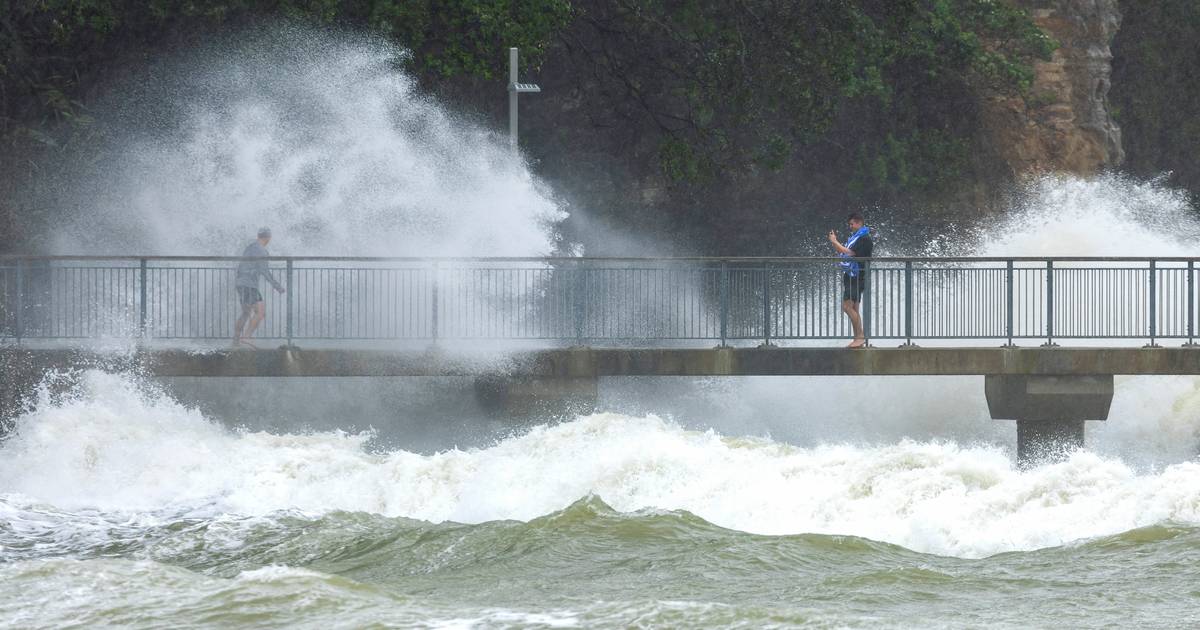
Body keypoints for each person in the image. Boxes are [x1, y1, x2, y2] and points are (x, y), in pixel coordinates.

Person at [827, 212, 873, 348]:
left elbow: (850, 253)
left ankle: (860, 337)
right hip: (852, 275)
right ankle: (858, 338)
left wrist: (834, 241)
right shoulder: (855, 237)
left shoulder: (864, 239)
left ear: (859, 223)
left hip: (857, 276)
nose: (851, 226)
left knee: (847, 307)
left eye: (852, 224)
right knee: (853, 307)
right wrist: (834, 242)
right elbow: (844, 251)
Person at [233, 227, 285, 347]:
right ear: (268, 238)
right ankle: (246, 337)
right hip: (249, 285)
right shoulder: (262, 251)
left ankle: (235, 341)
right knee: (260, 312)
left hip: (240, 283)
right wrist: (277, 286)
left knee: (246, 313)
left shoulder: (250, 247)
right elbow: (265, 272)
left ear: (258, 236)